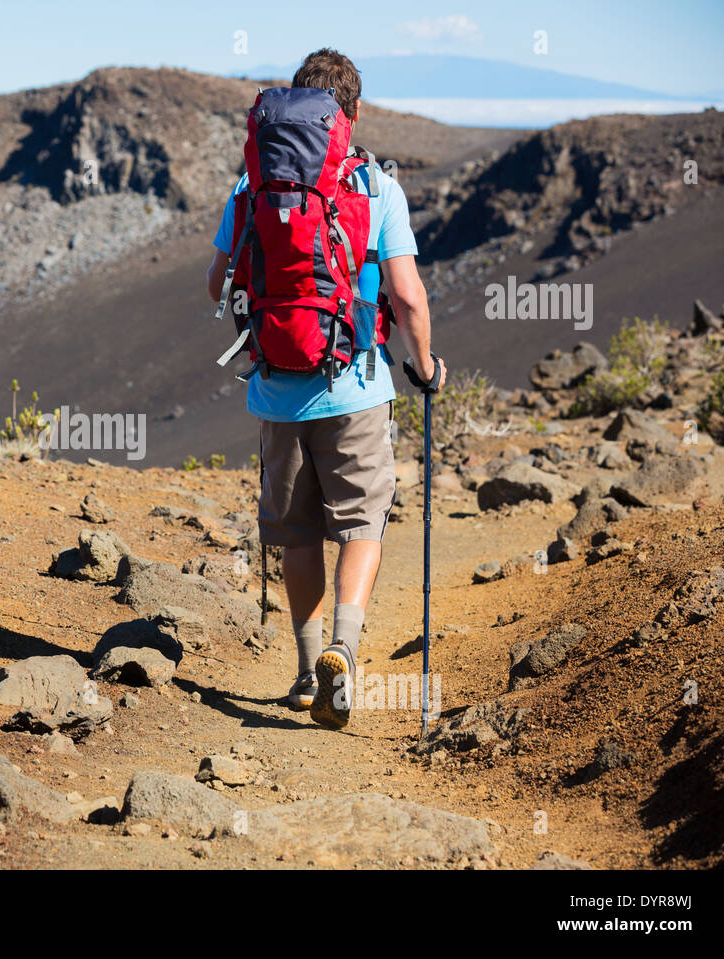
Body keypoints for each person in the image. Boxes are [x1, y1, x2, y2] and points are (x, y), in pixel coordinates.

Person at [205, 48, 446, 729]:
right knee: (361, 522)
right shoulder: (376, 186)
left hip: (276, 388)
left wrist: (262, 316)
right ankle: (346, 642)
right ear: (353, 111)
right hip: (357, 387)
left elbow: (216, 281)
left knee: (297, 531)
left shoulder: (252, 187)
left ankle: (308, 672)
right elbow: (408, 296)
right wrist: (423, 365)